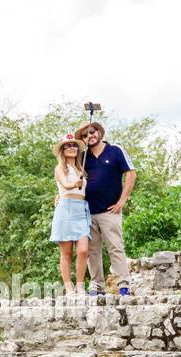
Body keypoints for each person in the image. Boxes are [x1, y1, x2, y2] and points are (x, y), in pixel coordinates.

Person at [73, 120, 136, 296]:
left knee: (115, 247)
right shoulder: (83, 157)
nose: (89, 136)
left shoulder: (115, 150)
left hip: (110, 211)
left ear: (98, 132)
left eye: (92, 132)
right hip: (88, 211)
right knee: (92, 250)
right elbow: (73, 180)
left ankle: (123, 284)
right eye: (85, 135)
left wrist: (122, 201)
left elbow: (131, 173)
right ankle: (97, 286)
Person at [49, 134, 91, 296]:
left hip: (80, 210)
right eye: (68, 146)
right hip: (65, 209)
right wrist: (75, 184)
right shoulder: (60, 168)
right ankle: (68, 287)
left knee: (83, 250)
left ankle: (80, 285)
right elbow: (66, 185)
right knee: (66, 253)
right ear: (62, 150)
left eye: (74, 145)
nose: (72, 148)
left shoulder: (81, 169)